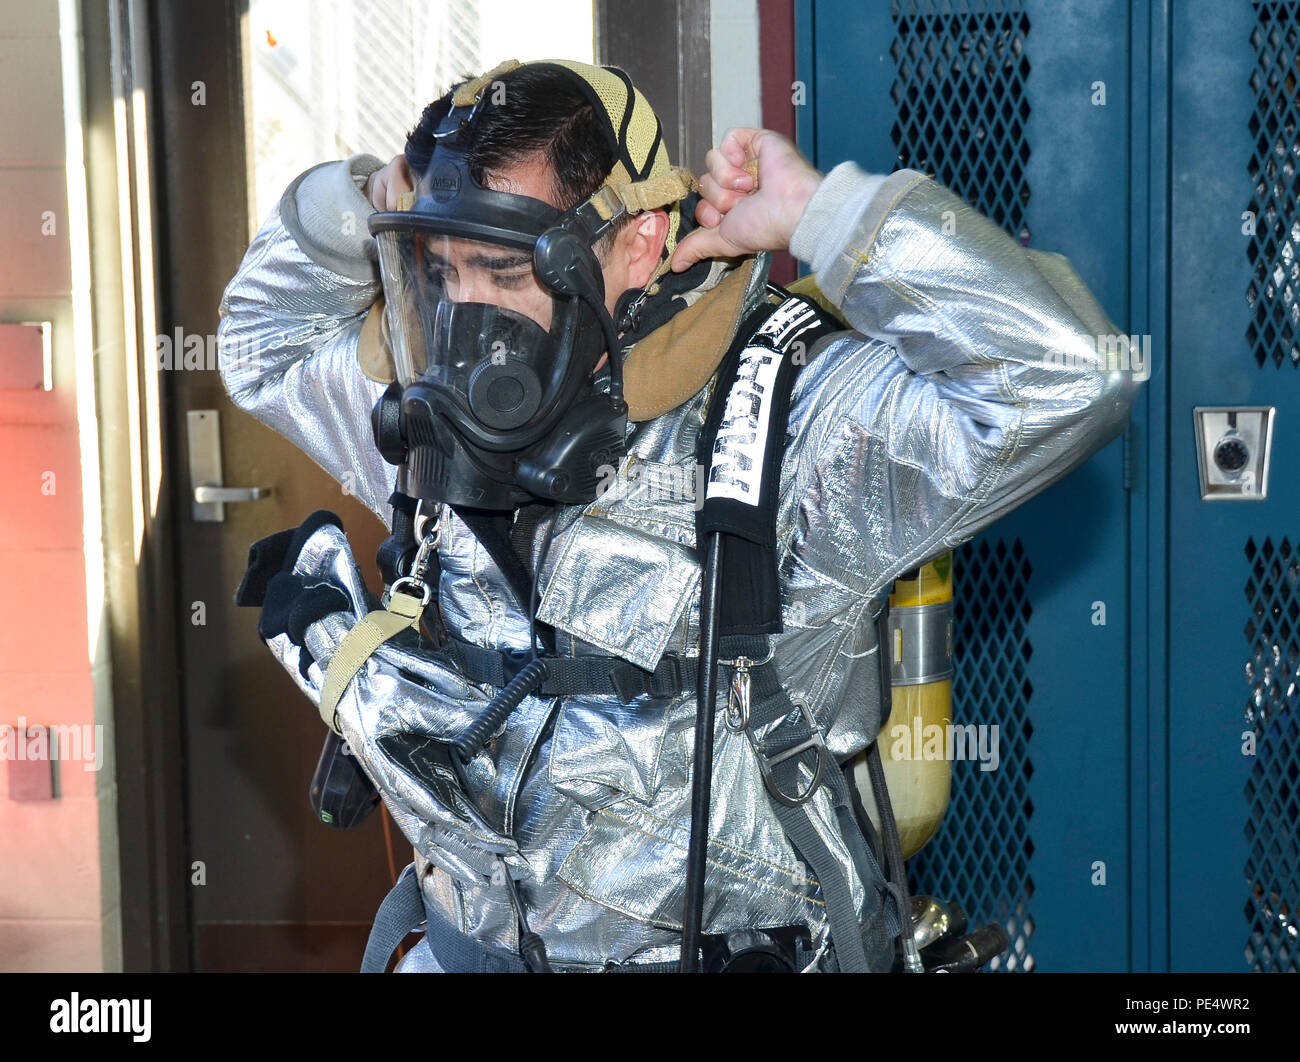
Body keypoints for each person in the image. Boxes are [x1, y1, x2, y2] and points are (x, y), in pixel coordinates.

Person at [217, 58, 1139, 972]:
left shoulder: (791, 434)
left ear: (638, 243)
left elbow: (1066, 379)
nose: (466, 317)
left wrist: (829, 216)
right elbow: (261, 346)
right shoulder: (426, 423)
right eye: (441, 270)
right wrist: (344, 208)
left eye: (505, 271)